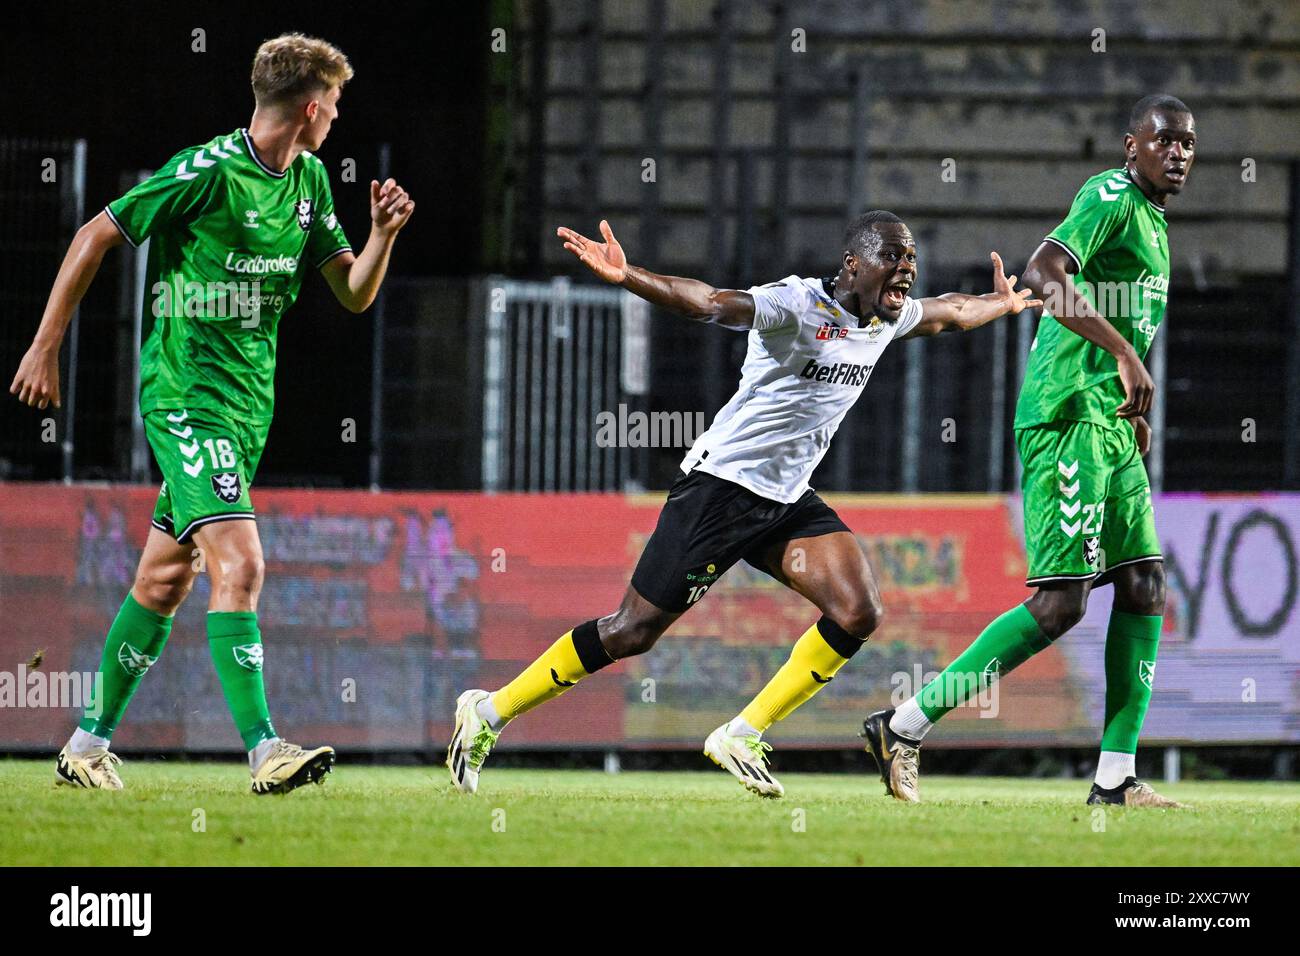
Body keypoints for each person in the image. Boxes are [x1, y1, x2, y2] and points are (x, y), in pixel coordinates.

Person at [447, 212, 1039, 797]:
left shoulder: (887, 316)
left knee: (858, 611)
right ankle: (490, 713)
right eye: (893, 256)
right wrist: (630, 277)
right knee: (631, 632)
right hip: (721, 488)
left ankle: (743, 732)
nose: (906, 268)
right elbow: (708, 302)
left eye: (911, 258)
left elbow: (952, 311)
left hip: (785, 500)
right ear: (853, 264)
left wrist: (1003, 304)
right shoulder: (797, 305)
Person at [10, 33, 414, 794]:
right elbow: (95, 232)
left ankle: (86, 745)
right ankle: (266, 752)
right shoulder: (205, 172)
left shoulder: (312, 184)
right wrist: (44, 347)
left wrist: (383, 236)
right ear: (313, 106)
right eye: (335, 107)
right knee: (243, 565)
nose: (336, 121)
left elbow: (353, 291)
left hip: (245, 410)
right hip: (185, 400)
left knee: (164, 579)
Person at [864, 95, 1195, 808]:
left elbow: (1129, 316)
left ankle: (1114, 779)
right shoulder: (1110, 194)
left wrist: (1127, 396)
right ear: (1130, 145)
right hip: (1065, 418)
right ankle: (903, 724)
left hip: (1106, 420)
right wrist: (1127, 363)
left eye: (1188, 144)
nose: (1177, 153)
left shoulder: (1156, 223)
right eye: (1163, 139)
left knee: (1144, 586)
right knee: (1060, 606)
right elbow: (1044, 274)